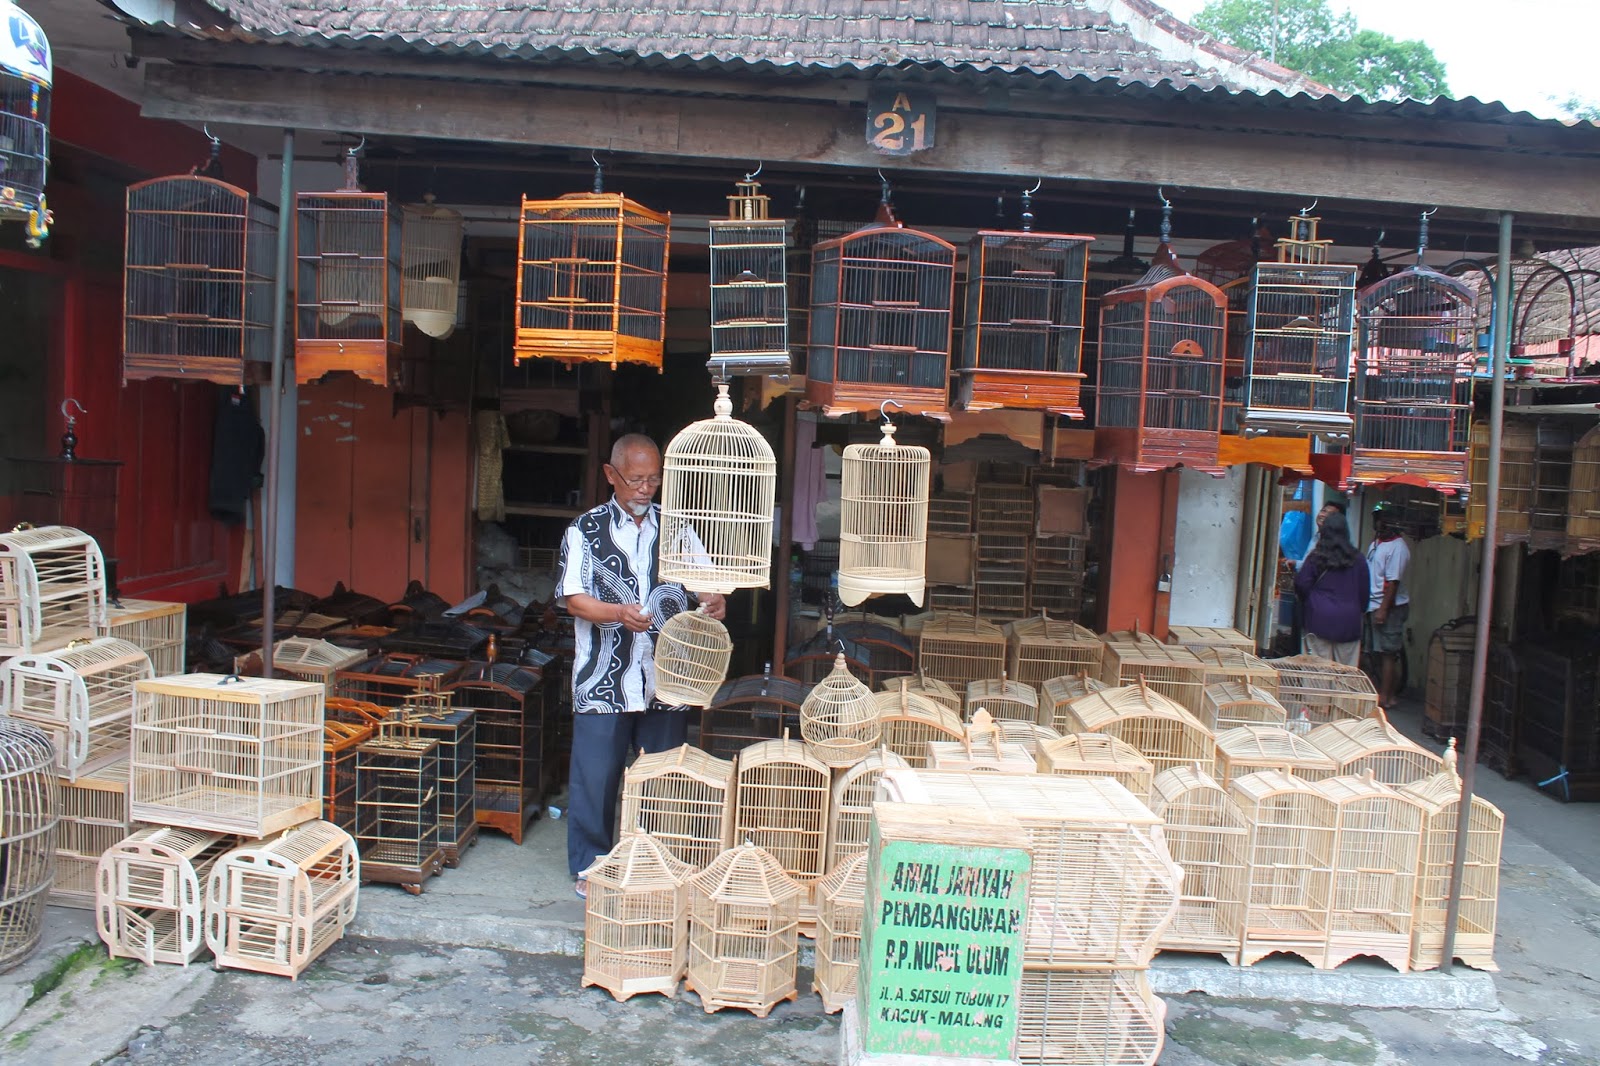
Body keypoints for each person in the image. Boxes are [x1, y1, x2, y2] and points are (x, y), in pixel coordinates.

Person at [557, 433, 726, 898]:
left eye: (654, 479)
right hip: (603, 679)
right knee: (597, 777)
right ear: (611, 475)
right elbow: (573, 599)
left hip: (665, 679)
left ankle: (655, 863)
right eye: (635, 479)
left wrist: (714, 600)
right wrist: (617, 614)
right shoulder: (584, 530)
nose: (645, 488)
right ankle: (590, 868)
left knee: (661, 778)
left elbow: (708, 586)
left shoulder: (677, 529)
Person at [1294, 510, 1370, 666]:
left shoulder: (1316, 557)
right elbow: (1364, 596)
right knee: (1346, 676)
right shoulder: (1359, 559)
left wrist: (1312, 601)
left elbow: (1301, 583)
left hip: (1318, 621)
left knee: (1316, 674)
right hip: (1349, 624)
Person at [1365, 502, 1411, 707]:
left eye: (1385, 519)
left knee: (1388, 654)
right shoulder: (1375, 544)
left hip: (1389, 607)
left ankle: (1387, 696)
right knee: (1375, 652)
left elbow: (1393, 583)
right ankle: (1379, 692)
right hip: (1372, 604)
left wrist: (1383, 609)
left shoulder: (1398, 547)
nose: (1381, 523)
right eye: (1379, 518)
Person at [1295, 498, 1349, 569]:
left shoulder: (1334, 544)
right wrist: (1295, 563)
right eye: (1323, 511)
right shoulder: (1317, 537)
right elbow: (1308, 565)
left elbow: (1316, 568)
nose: (1324, 515)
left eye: (1330, 514)